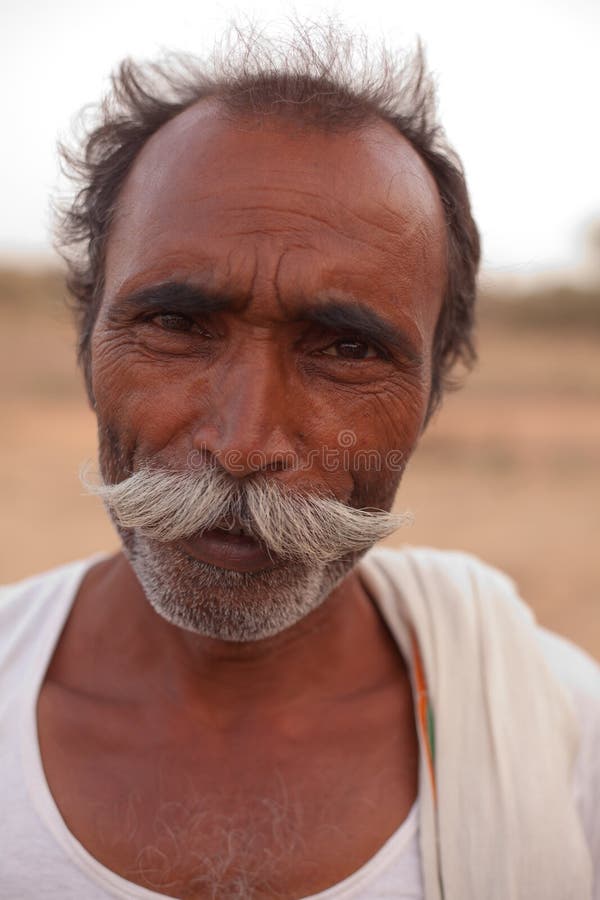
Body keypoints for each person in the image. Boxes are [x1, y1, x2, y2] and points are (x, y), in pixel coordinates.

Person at [1, 24, 598, 900]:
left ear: (435, 392)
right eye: (175, 324)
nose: (243, 444)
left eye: (348, 350)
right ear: (88, 341)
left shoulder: (559, 735)